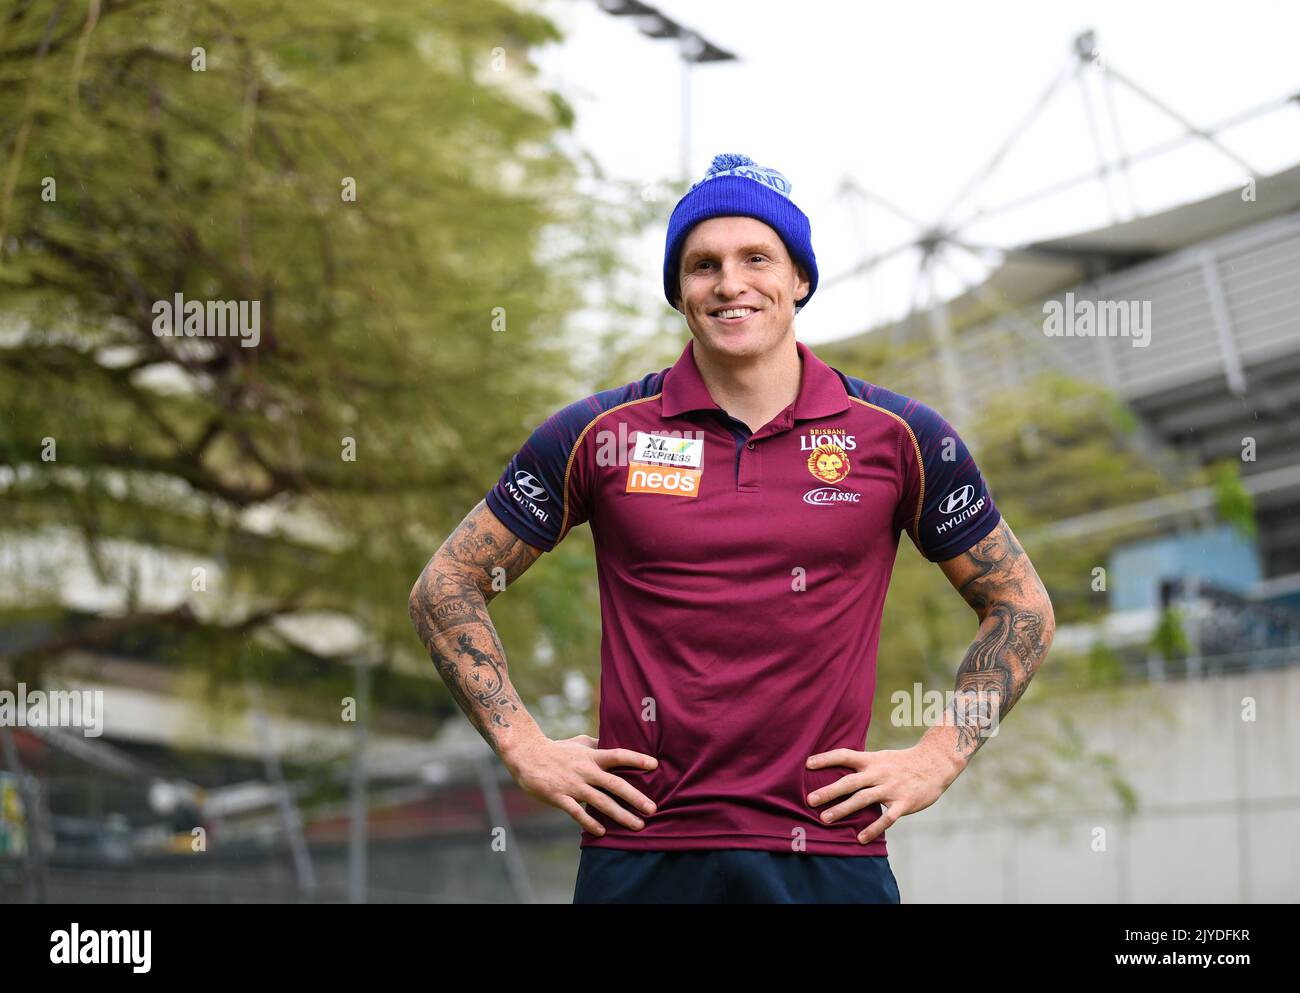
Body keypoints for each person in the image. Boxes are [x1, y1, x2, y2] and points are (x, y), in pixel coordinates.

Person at [408, 153, 1055, 904]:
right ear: (680, 291)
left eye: (757, 257)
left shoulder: (901, 437)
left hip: (827, 851)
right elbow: (445, 584)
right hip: (641, 851)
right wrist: (523, 747)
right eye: (703, 264)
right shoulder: (597, 434)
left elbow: (1022, 605)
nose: (729, 283)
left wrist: (938, 754)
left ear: (799, 278)